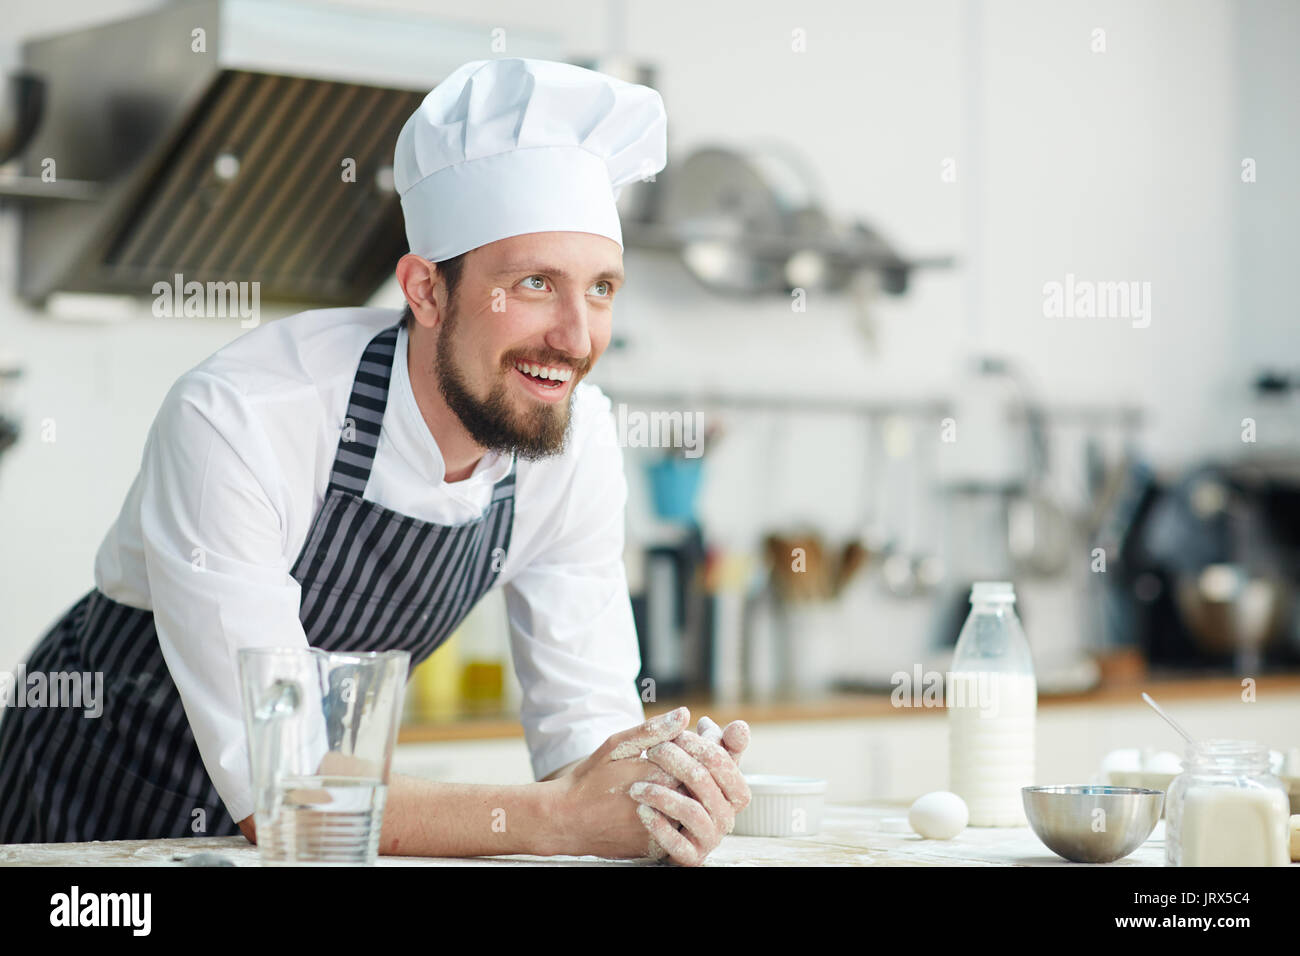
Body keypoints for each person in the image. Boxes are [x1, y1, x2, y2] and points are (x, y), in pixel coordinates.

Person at [0, 57, 749, 865]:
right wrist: (562, 817)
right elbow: (282, 792)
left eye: (601, 289)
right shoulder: (244, 416)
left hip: (316, 842)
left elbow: (587, 735)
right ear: (425, 291)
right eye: (535, 284)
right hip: (85, 819)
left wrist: (656, 800)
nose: (576, 338)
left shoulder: (572, 439)